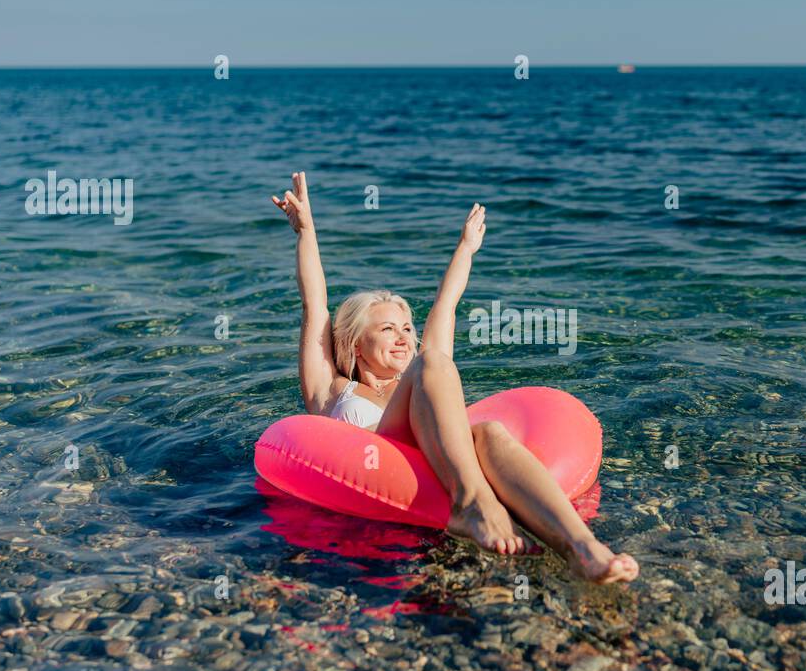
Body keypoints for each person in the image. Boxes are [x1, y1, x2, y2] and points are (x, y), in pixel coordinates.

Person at [271, 172, 638, 584]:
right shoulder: (332, 390)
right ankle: (470, 502)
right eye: (388, 329)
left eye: (408, 328)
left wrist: (466, 248)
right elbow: (314, 303)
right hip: (379, 462)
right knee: (433, 361)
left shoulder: (419, 383)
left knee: (490, 431)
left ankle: (584, 550)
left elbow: (448, 303)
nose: (404, 336)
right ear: (356, 345)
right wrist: (306, 231)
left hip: (434, 455)